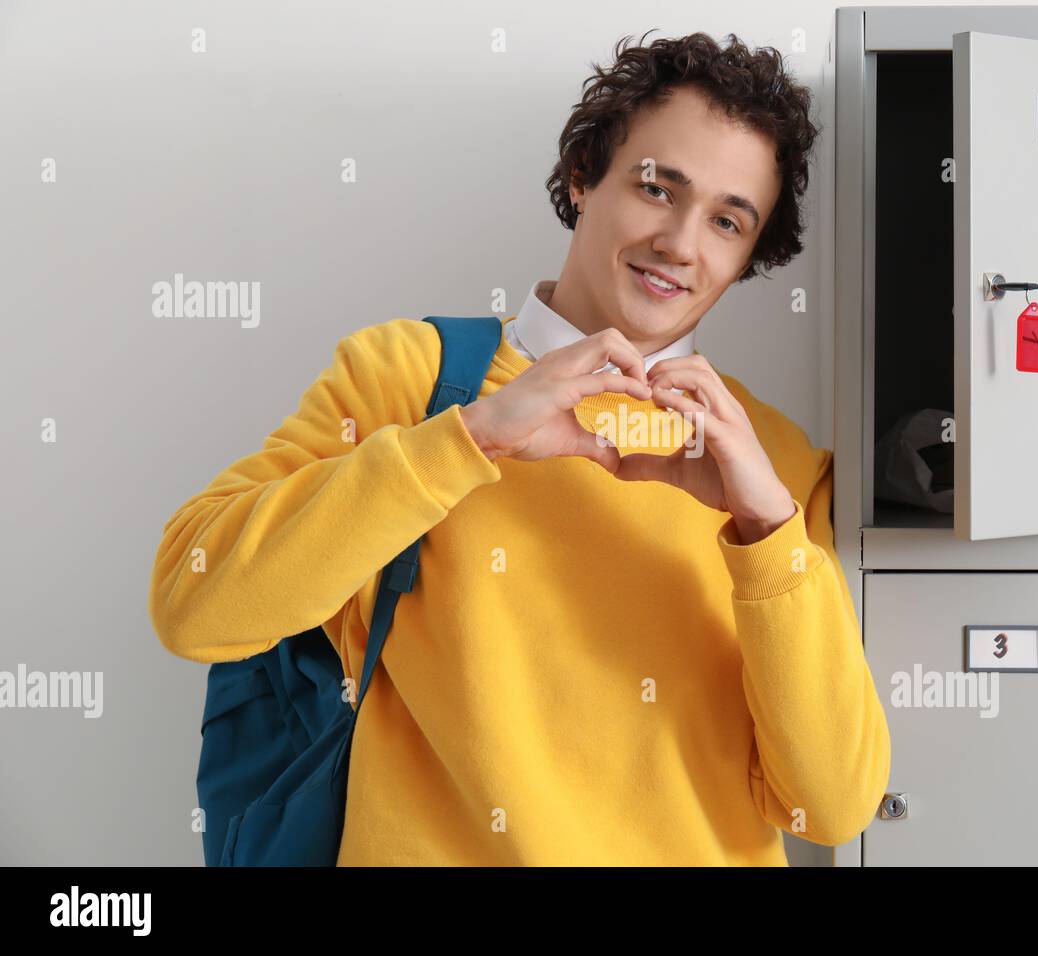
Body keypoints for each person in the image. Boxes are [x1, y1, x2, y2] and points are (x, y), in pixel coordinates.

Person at [149, 30, 890, 866]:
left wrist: (766, 532)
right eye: (657, 188)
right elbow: (192, 605)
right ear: (582, 179)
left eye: (727, 220)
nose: (682, 244)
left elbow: (829, 807)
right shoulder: (412, 375)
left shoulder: (772, 461)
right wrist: (466, 440)